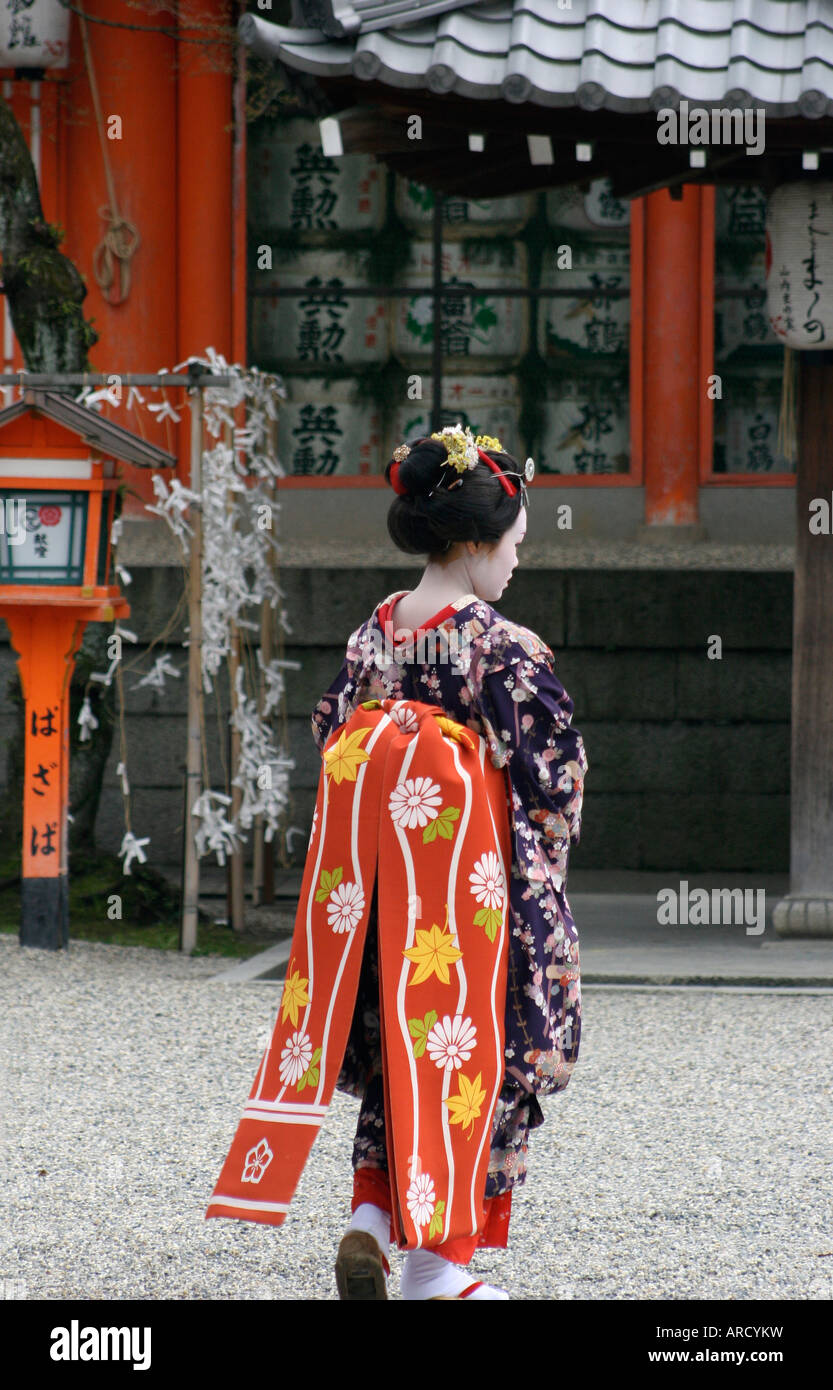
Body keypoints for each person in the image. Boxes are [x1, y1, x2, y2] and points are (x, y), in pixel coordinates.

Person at [309, 424, 589, 1300]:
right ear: (473, 541)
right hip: (478, 901)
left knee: (401, 1052)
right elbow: (553, 783)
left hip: (389, 895)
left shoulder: (373, 636)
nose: (515, 562)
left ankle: (369, 1220)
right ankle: (441, 1267)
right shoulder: (501, 648)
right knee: (484, 1060)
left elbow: (332, 743)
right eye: (513, 545)